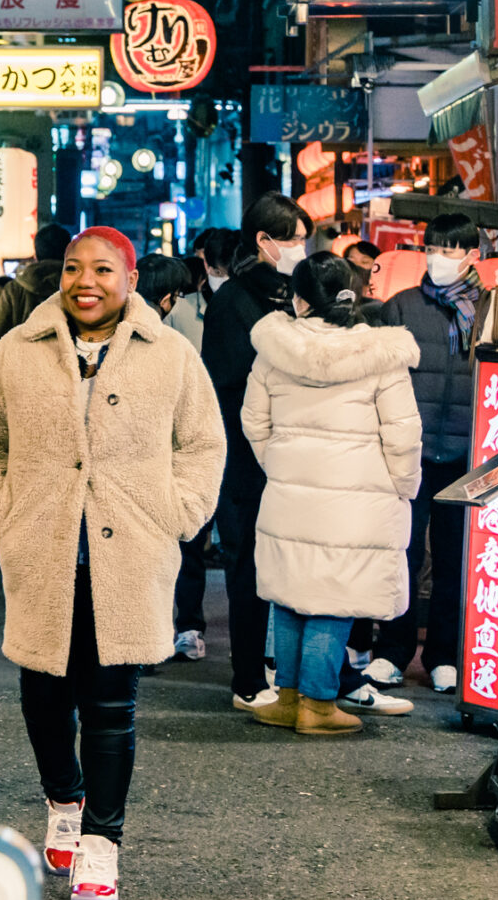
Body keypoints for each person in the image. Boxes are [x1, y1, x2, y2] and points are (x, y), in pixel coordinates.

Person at [0, 227, 226, 900]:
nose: (86, 281)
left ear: (129, 278)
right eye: (74, 268)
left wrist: (180, 511)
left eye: (103, 269)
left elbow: (201, 443)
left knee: (111, 702)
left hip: (130, 552)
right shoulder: (18, 351)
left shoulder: (171, 354)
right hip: (42, 548)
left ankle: (102, 840)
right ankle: (63, 797)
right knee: (44, 693)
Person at [241, 253, 423, 735]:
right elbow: (402, 433)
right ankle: (319, 705)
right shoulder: (381, 354)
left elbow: (253, 420)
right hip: (359, 502)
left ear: (298, 299)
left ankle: (287, 696)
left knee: (291, 591)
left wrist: (280, 464)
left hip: (288, 493)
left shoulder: (273, 349)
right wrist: (404, 486)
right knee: (333, 595)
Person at [201, 193, 311, 711]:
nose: (300, 248)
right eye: (293, 239)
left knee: (279, 563)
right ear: (264, 241)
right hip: (243, 458)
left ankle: (274, 665)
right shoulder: (233, 302)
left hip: (284, 454)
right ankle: (247, 675)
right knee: (246, 565)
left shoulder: (288, 295)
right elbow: (225, 384)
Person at [370, 212, 482, 693]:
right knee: (402, 554)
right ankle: (391, 653)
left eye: (451, 249)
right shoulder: (400, 307)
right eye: (432, 248)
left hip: (467, 455)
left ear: (473, 255)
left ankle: (444, 655)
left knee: (457, 560)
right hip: (409, 453)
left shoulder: (492, 309)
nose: (439, 258)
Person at [0, 223, 71, 343]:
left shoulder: (14, 290)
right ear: (68, 253)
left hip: (23, 360)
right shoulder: (81, 288)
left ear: (36, 255)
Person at [166, 228, 235, 353]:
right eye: (219, 273)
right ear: (206, 265)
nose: (226, 281)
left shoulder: (256, 307)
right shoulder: (178, 312)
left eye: (231, 275)